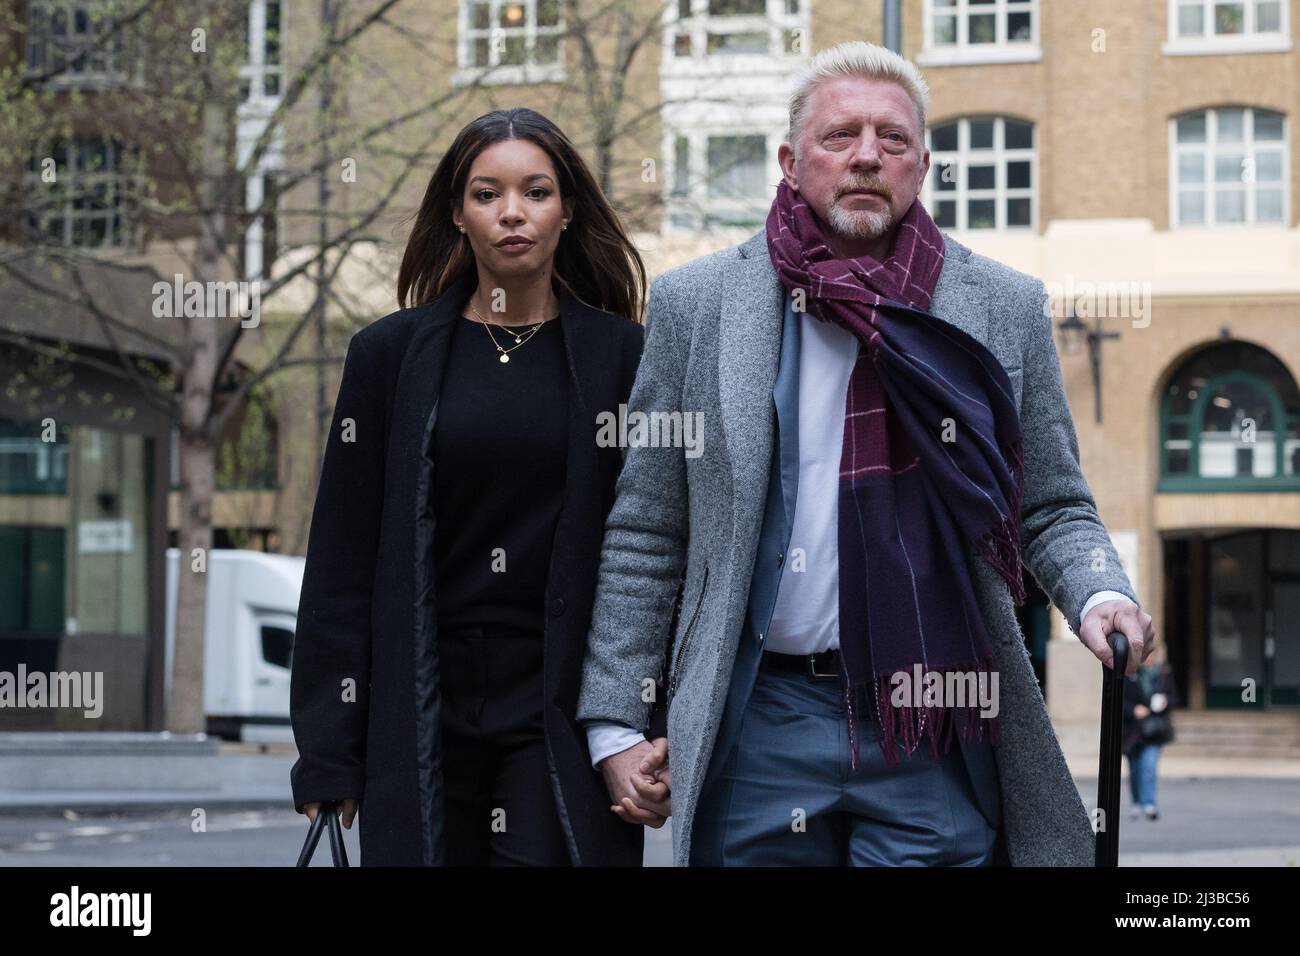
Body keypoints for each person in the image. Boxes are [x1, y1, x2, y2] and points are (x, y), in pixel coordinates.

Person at [576, 40, 1156, 867]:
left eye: (891, 140)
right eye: (839, 136)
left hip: (931, 718)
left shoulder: (1002, 306)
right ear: (788, 160)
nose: (865, 157)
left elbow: (1051, 503)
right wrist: (615, 721)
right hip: (759, 718)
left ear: (922, 165)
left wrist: (1100, 591)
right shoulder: (697, 305)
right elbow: (647, 530)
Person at [289, 107, 668, 866]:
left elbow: (656, 549)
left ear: (567, 211)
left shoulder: (624, 358)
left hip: (555, 705)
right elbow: (341, 560)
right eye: (487, 195)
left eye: (536, 191)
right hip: (420, 705)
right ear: (458, 215)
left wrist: (641, 719)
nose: (513, 213)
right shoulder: (388, 358)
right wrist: (330, 751)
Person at [1123, 651, 1179, 820]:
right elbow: (1118, 701)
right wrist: (1134, 710)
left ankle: (1149, 803)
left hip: (1154, 730)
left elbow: (1175, 698)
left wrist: (1166, 702)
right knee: (1135, 770)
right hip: (1133, 732)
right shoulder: (1129, 675)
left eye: (1151, 655)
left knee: (1149, 767)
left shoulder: (1163, 676)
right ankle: (1136, 802)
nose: (1148, 659)